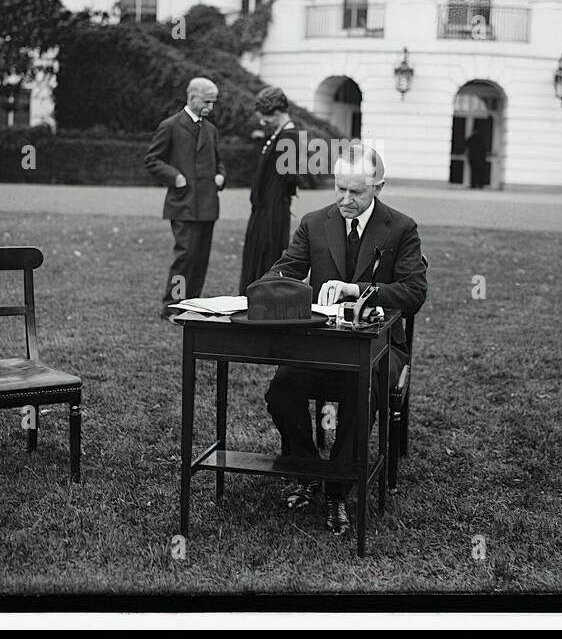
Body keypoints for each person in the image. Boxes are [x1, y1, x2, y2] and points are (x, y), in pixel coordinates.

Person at [261, 143, 427, 535]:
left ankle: (337, 489)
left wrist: (357, 291)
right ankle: (307, 469)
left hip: (380, 347)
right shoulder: (315, 222)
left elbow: (413, 293)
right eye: (339, 189)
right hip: (322, 344)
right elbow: (284, 271)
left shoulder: (402, 228)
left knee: (360, 395)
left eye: (357, 192)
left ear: (379, 188)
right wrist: (277, 288)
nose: (345, 200)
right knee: (281, 392)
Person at [144, 77, 226, 320]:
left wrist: (221, 175)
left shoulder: (211, 129)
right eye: (207, 101)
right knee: (186, 258)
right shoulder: (170, 125)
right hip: (183, 205)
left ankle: (192, 305)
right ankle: (172, 306)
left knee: (200, 260)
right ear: (192, 98)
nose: (211, 107)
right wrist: (175, 176)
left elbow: (219, 161)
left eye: (213, 102)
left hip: (208, 206)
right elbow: (152, 160)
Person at [238, 86, 303, 293]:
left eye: (265, 116)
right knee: (257, 257)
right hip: (265, 208)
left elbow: (292, 176)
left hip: (272, 212)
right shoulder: (280, 134)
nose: (262, 121)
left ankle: (262, 302)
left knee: (266, 256)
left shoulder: (289, 136)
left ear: (276, 112)